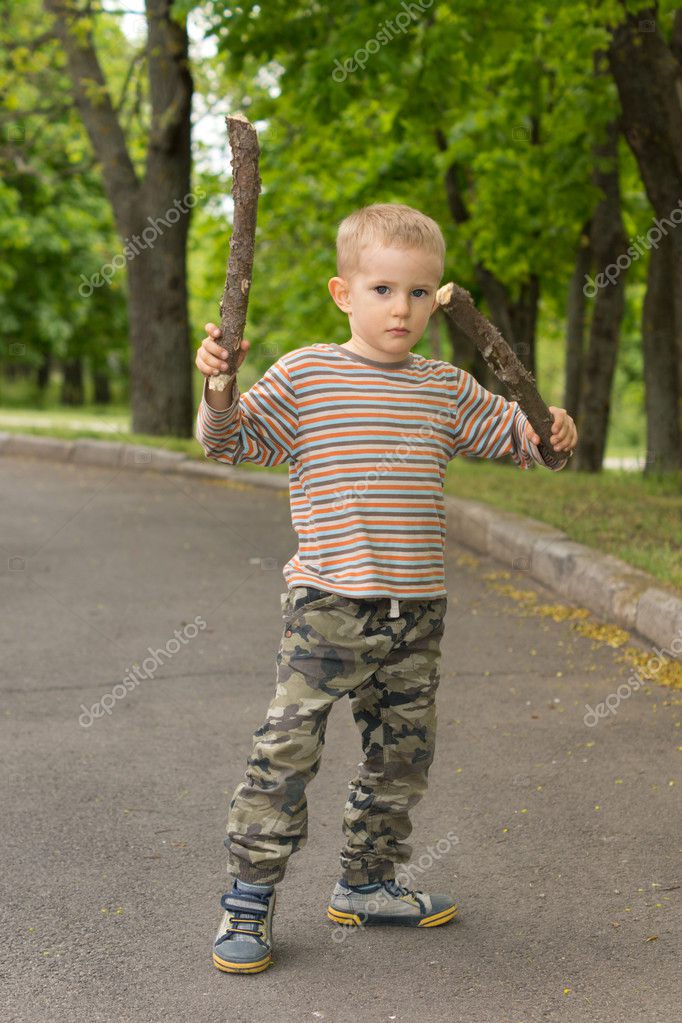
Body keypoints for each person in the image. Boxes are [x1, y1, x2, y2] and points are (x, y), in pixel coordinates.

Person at [194, 202, 578, 975]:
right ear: (343, 292)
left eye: (418, 293)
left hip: (416, 611)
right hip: (327, 607)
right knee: (287, 752)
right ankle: (248, 896)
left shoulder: (446, 388)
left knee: (402, 756)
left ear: (438, 299)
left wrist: (553, 431)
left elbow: (524, 441)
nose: (400, 307)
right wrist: (217, 388)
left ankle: (366, 880)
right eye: (381, 289)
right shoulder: (306, 374)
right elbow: (230, 443)